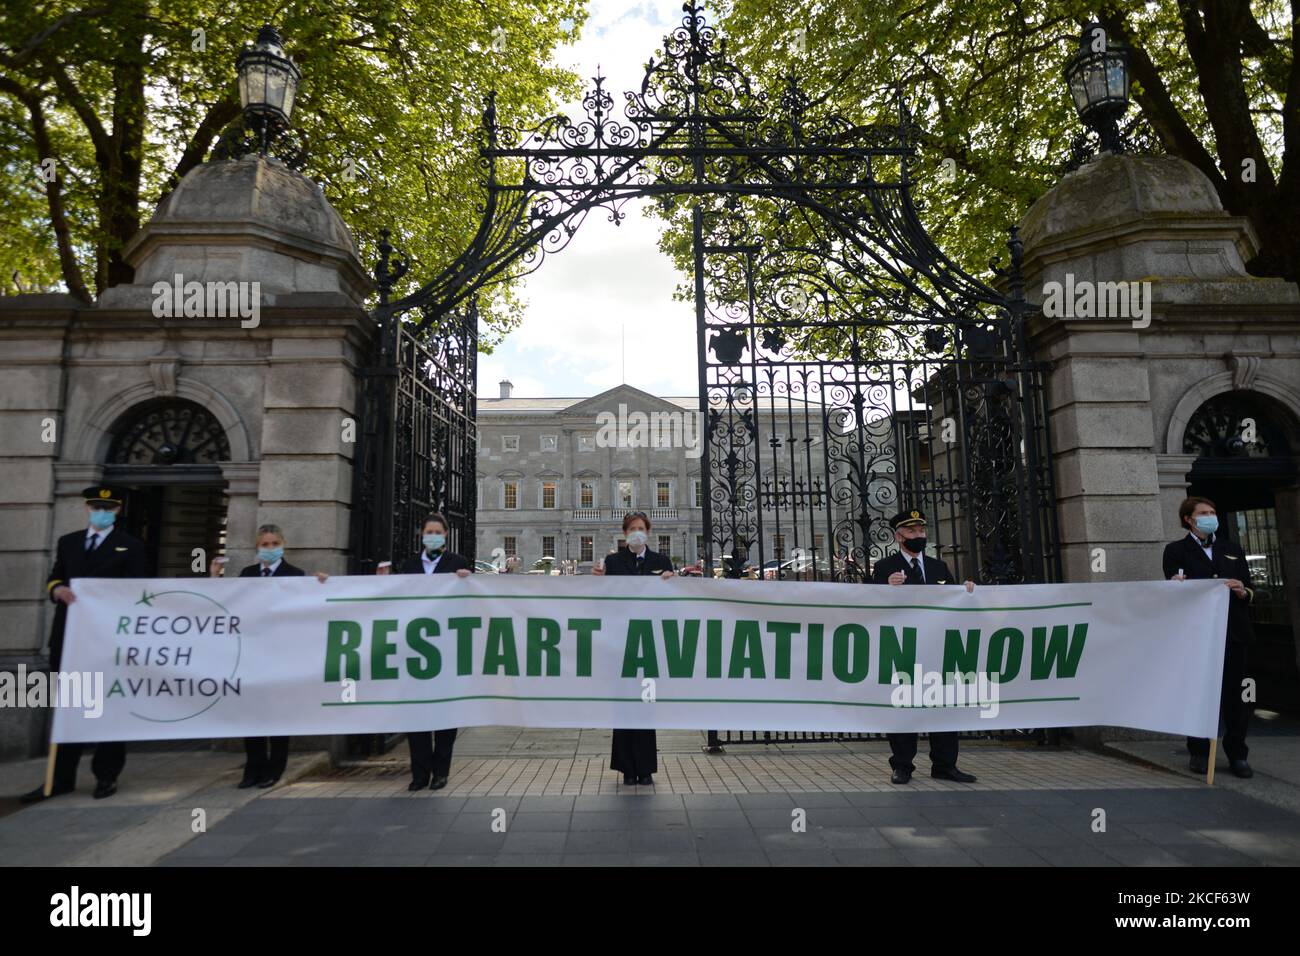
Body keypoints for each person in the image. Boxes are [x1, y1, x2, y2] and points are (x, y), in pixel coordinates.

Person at [22, 486, 149, 803]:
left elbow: (140, 591)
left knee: (109, 711)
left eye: (108, 508)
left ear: (117, 511)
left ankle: (106, 776)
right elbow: (55, 578)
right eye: (95, 507)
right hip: (70, 639)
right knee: (69, 712)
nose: (101, 512)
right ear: (87, 509)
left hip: (109, 643)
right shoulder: (69, 543)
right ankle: (59, 778)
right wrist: (57, 591)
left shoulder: (130, 546)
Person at [872, 507, 977, 786]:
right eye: (911, 531)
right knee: (904, 706)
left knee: (944, 705)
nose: (918, 535)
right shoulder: (885, 568)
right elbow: (868, 606)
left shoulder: (938, 567)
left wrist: (966, 592)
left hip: (937, 649)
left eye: (921, 530)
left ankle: (945, 765)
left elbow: (955, 604)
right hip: (903, 650)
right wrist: (884, 587)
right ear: (899, 536)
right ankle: (903, 766)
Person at [1163, 496, 1255, 778]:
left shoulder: (1232, 549)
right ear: (1188, 519)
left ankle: (1237, 753)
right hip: (1197, 635)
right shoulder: (1176, 551)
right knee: (1199, 693)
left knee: (1236, 698)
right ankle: (1199, 751)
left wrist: (1241, 590)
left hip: (1233, 633)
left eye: (1212, 512)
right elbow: (1171, 589)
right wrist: (1174, 586)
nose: (1210, 516)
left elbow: (1249, 589)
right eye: (1203, 512)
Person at [209, 524, 306, 789]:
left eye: (275, 544)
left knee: (277, 716)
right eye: (265, 544)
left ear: (283, 544)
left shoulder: (296, 575)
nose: (270, 548)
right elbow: (230, 606)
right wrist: (215, 580)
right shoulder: (247, 574)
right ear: (257, 547)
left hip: (281, 657)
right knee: (251, 716)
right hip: (251, 656)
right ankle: (252, 768)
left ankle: (274, 769)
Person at [593, 511, 674, 785]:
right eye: (632, 528)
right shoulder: (614, 562)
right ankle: (627, 768)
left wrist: (672, 582)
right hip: (621, 644)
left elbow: (674, 599)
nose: (637, 532)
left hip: (649, 642)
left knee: (646, 704)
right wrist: (597, 580)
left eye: (641, 528)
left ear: (648, 532)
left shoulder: (660, 562)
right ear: (625, 533)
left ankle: (646, 767)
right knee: (624, 705)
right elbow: (601, 599)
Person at [396, 513, 471, 791]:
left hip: (447, 649)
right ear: (422, 534)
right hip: (416, 651)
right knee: (416, 713)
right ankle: (419, 773)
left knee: (445, 714)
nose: (433, 535)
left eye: (437, 531)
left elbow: (470, 602)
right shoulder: (410, 565)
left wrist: (467, 580)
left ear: (446, 534)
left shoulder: (458, 564)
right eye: (429, 531)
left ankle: (441, 771)